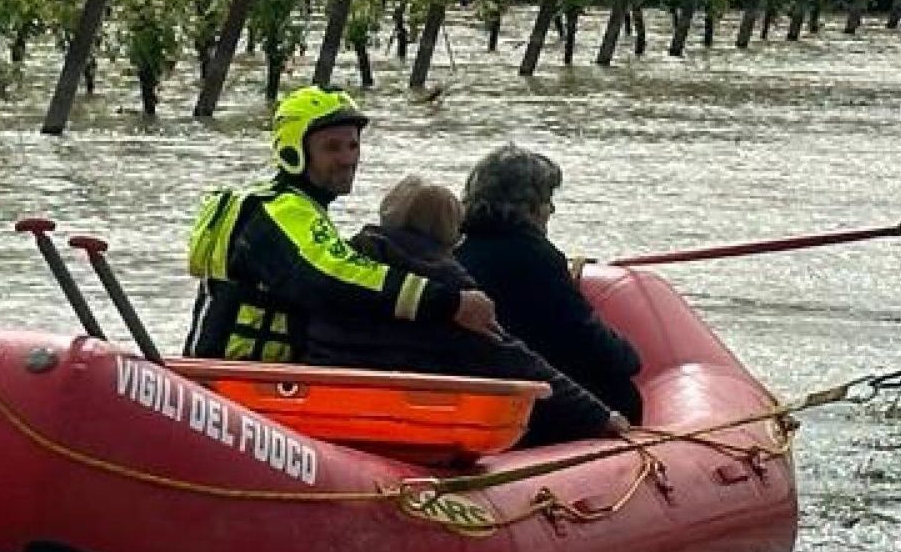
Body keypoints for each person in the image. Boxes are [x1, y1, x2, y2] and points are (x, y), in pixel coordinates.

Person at [183, 86, 501, 363]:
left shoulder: (277, 205)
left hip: (238, 376)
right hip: (241, 381)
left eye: (353, 145)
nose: (348, 158)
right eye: (332, 148)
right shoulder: (281, 211)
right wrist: (449, 302)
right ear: (294, 152)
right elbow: (335, 276)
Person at [333, 176, 627, 445]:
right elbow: (509, 359)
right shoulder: (453, 289)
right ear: (450, 232)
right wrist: (598, 416)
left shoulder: (340, 268)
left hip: (334, 420)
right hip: (414, 428)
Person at [455, 146, 645, 424]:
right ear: (526, 205)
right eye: (547, 200)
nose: (552, 209)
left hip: (482, 393)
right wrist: (629, 356)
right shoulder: (535, 258)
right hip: (537, 409)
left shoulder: (457, 252)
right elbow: (583, 334)